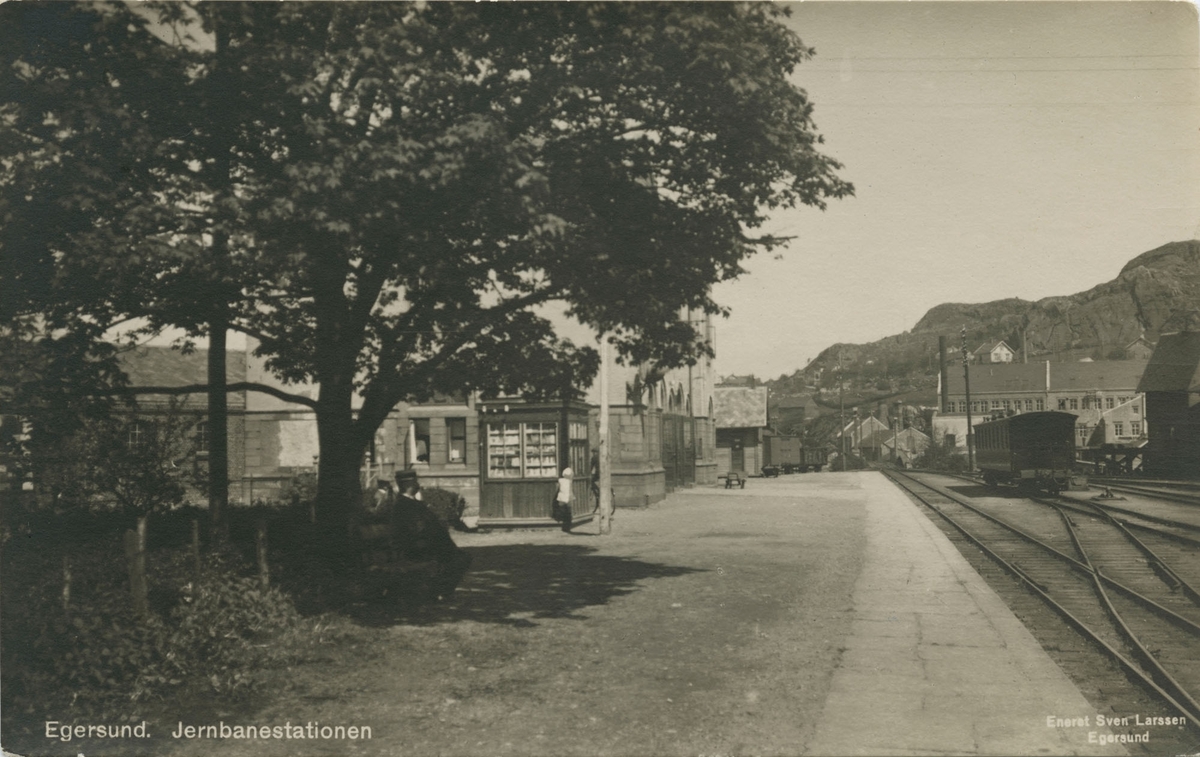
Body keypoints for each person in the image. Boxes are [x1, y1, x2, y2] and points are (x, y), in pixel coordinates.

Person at [391, 469, 472, 600]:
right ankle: (439, 592)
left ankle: (439, 591)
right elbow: (415, 530)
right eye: (415, 481)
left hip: (427, 545)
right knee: (460, 559)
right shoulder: (403, 506)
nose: (418, 484)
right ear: (410, 485)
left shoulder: (412, 503)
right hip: (417, 548)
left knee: (461, 558)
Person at [554, 466, 574, 533]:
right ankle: (567, 526)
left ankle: (560, 521)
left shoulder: (560, 480)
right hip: (568, 497)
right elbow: (570, 490)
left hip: (561, 497)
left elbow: (557, 489)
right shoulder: (570, 482)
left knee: (561, 510)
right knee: (568, 512)